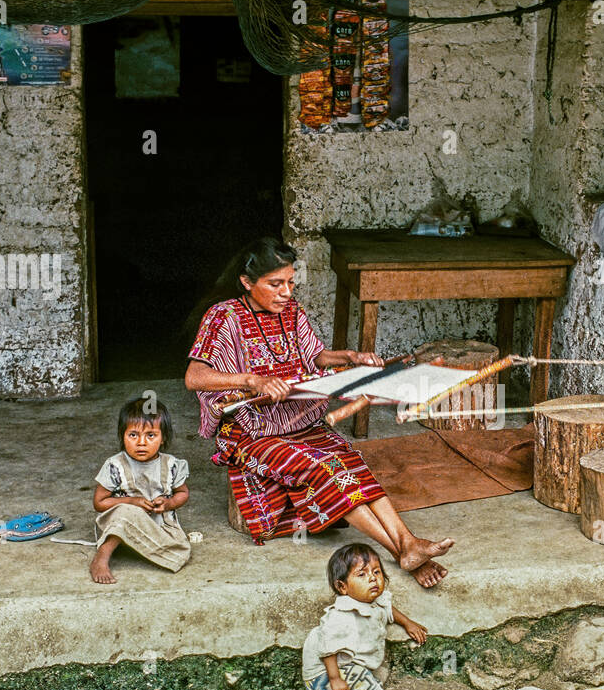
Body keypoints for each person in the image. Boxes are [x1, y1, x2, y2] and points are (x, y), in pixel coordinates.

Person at [184, 236, 454, 588]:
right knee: (324, 468)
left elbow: (314, 358)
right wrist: (254, 380)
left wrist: (351, 358)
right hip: (251, 433)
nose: (286, 292)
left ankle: (409, 542)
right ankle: (400, 549)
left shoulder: (292, 312)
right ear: (247, 283)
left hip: (300, 420)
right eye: (275, 284)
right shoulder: (223, 317)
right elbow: (195, 377)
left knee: (352, 461)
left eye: (291, 283)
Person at [302, 543, 427, 690]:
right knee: (359, 677)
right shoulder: (341, 616)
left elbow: (388, 608)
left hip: (342, 669)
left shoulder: (373, 599)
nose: (373, 578)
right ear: (342, 587)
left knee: (376, 676)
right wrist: (335, 679)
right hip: (321, 677)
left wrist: (407, 623)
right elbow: (327, 649)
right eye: (362, 574)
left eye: (376, 572)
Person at [90, 397, 191, 584]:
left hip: (155, 527)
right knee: (126, 513)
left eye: (151, 435)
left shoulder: (171, 465)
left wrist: (169, 503)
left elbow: (182, 493)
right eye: (133, 435)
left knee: (181, 550)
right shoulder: (115, 465)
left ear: (163, 439)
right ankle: (102, 557)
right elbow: (99, 502)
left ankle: (142, 548)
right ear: (122, 436)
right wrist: (131, 502)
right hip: (118, 529)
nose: (141, 442)